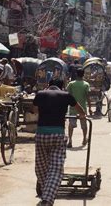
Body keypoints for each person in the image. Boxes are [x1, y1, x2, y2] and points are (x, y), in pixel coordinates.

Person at [33, 78, 86, 206]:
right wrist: (82, 116)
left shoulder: (40, 94)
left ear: (48, 85)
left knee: (41, 167)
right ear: (62, 87)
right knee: (55, 169)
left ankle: (46, 192)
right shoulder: (66, 95)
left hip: (41, 135)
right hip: (57, 135)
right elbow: (81, 110)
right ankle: (47, 200)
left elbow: (34, 110)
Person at [67, 68, 90, 148]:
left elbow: (68, 95)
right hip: (82, 109)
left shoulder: (71, 84)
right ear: (83, 75)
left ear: (76, 74)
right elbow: (88, 97)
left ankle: (70, 140)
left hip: (73, 108)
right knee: (84, 125)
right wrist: (90, 108)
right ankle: (84, 139)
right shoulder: (86, 84)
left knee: (71, 125)